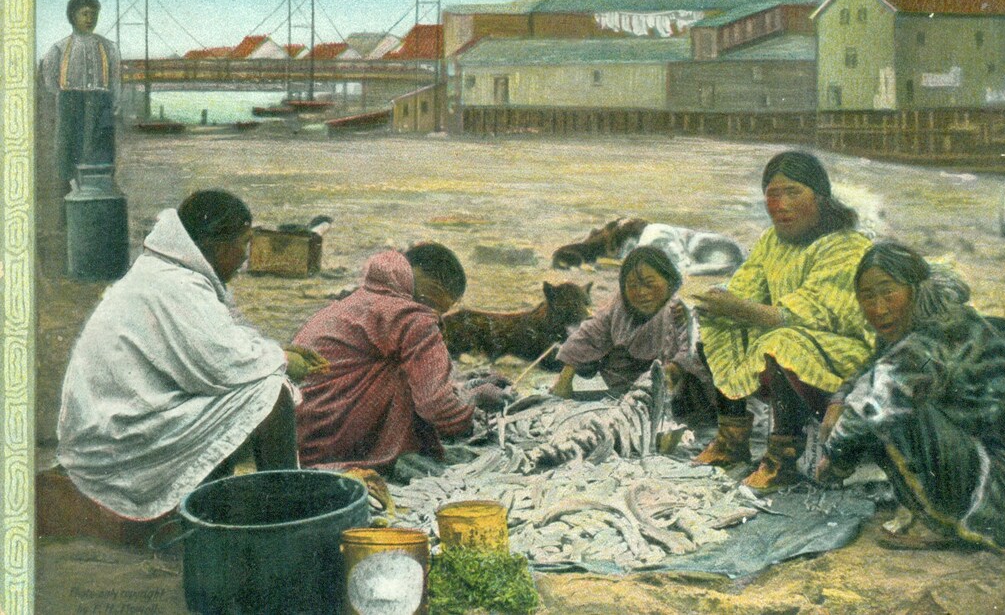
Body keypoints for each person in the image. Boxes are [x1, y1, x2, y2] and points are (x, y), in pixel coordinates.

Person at [56, 190, 327, 521]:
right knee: (270, 393)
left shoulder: (167, 272)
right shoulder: (177, 285)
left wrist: (276, 353)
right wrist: (282, 360)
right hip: (117, 439)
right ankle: (289, 512)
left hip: (114, 423)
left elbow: (217, 343)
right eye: (243, 242)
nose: (245, 256)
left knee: (250, 388)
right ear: (214, 245)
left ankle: (221, 506)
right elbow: (221, 365)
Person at [816, 242, 1005, 553]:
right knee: (885, 398)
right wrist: (839, 400)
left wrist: (834, 459)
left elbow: (874, 404)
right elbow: (872, 368)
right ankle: (935, 509)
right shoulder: (922, 321)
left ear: (916, 288)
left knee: (893, 410)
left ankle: (939, 519)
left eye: (889, 292)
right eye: (868, 296)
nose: (879, 308)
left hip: (1003, 494)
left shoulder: (936, 335)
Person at [692, 151, 874, 494]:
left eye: (793, 193)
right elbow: (747, 289)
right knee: (718, 326)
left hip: (846, 358)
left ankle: (782, 458)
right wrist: (721, 301)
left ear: (819, 197)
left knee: (781, 343)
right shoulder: (772, 241)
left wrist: (740, 308)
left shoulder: (846, 245)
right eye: (773, 195)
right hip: (796, 342)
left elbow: (811, 311)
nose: (781, 204)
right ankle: (732, 440)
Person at [293, 243, 513, 474]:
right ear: (435, 289)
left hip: (302, 438)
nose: (434, 315)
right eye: (436, 306)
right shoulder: (411, 316)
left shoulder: (364, 298)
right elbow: (439, 410)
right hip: (333, 445)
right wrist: (474, 398)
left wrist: (464, 386)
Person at [549, 245, 716, 420]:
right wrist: (565, 379)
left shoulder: (679, 310)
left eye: (650, 284)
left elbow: (690, 351)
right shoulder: (619, 306)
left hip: (680, 396)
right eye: (632, 285)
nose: (641, 292)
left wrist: (667, 375)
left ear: (669, 281)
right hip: (628, 392)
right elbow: (589, 333)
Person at [40, 0, 123, 188]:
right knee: (70, 148)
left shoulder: (108, 47)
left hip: (100, 103)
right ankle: (71, 187)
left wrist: (114, 101)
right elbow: (50, 80)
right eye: (84, 14)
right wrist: (67, 96)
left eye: (93, 14)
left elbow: (115, 79)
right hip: (71, 104)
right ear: (72, 16)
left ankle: (98, 186)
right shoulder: (59, 49)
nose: (90, 19)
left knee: (99, 149)